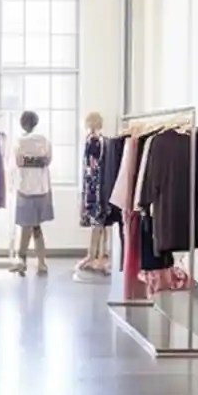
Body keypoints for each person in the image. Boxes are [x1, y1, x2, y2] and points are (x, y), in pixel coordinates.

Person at [11, 110, 54, 276]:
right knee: (36, 227)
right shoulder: (44, 140)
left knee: (26, 226)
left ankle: (21, 259)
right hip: (42, 189)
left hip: (25, 189)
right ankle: (41, 263)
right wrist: (38, 161)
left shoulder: (20, 142)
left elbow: (19, 162)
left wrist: (29, 161)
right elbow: (48, 161)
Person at [77, 111, 111, 275]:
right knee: (102, 222)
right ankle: (100, 256)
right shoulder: (103, 140)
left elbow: (91, 166)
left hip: (94, 185)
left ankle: (93, 256)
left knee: (97, 222)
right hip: (100, 184)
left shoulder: (93, 140)